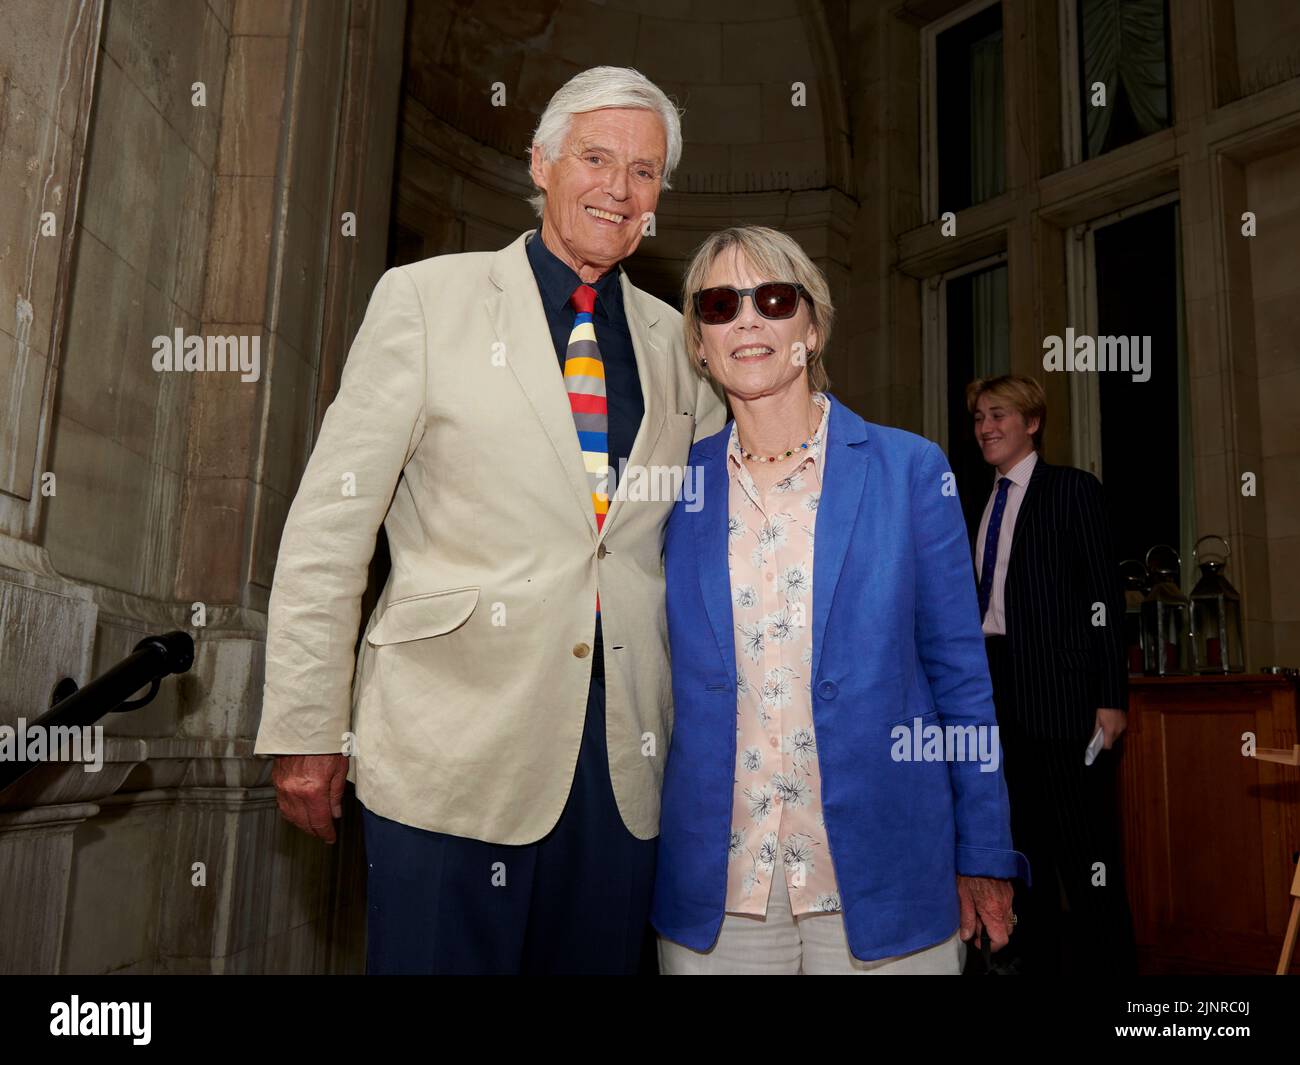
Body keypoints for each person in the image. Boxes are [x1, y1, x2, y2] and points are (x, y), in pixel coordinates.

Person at [254, 66, 726, 974]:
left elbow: (714, 541)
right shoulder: (426, 300)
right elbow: (329, 527)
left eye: (645, 172)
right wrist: (307, 726)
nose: (620, 189)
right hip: (449, 751)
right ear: (541, 162)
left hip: (623, 769)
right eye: (596, 158)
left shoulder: (681, 345)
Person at [651, 226, 1028, 974]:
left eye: (775, 299)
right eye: (722, 304)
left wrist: (983, 850)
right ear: (700, 343)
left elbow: (960, 677)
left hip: (884, 875)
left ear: (812, 326)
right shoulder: (671, 487)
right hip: (719, 888)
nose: (749, 320)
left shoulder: (910, 469)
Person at [966, 373, 1136, 974]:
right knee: (1024, 857)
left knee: (1087, 859)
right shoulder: (980, 503)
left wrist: (1110, 698)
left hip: (1065, 704)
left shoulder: (1072, 490)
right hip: (997, 697)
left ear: (1032, 422)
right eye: (980, 417)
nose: (986, 427)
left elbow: (1103, 599)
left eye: (1000, 415)